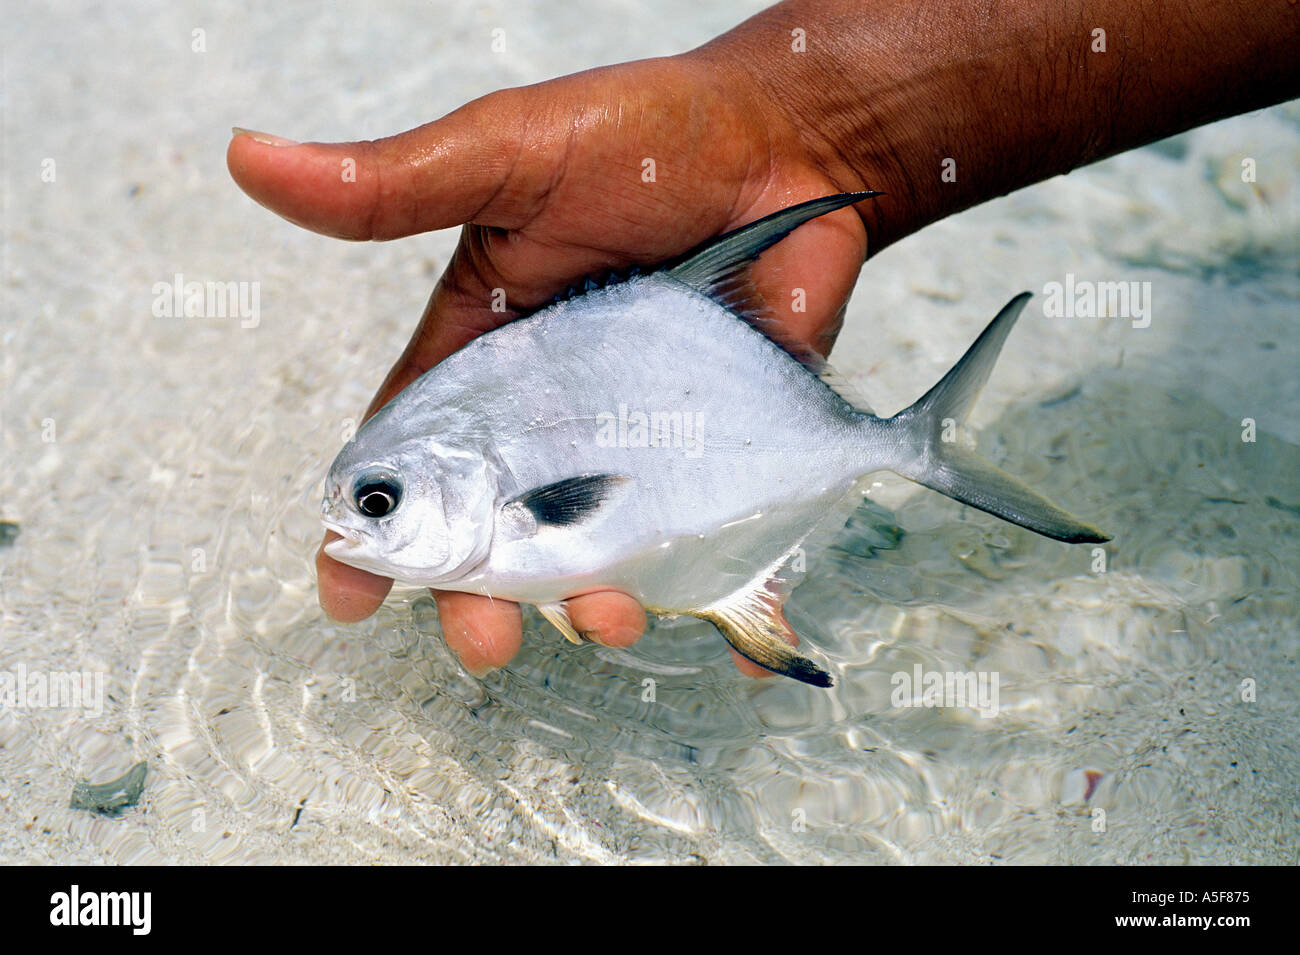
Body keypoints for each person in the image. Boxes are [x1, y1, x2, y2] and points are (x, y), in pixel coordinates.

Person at [227, 0, 1299, 677]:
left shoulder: (483, 427)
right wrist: (804, 126)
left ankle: (873, 474)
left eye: (379, 499)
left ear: (459, 473)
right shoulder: (476, 412)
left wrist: (805, 127)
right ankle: (824, 522)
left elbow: (584, 501)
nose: (357, 520)